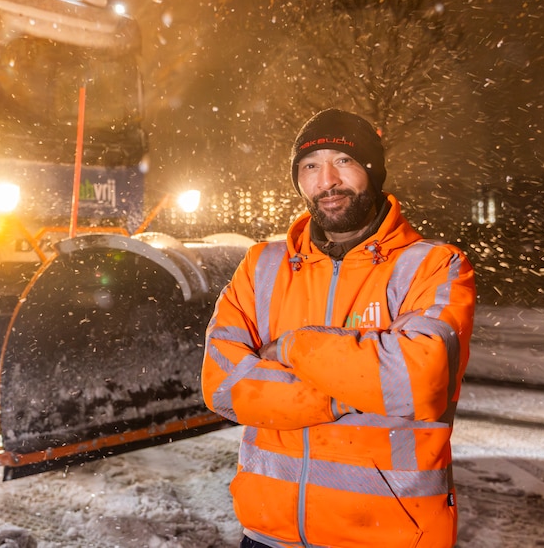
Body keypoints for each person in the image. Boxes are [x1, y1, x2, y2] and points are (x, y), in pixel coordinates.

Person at [201, 109, 476, 547]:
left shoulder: (432, 265)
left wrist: (293, 348)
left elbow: (416, 382)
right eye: (310, 166)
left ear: (373, 170)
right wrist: (360, 388)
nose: (326, 181)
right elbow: (221, 386)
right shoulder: (262, 265)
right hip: (271, 534)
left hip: (390, 535)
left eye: (343, 162)